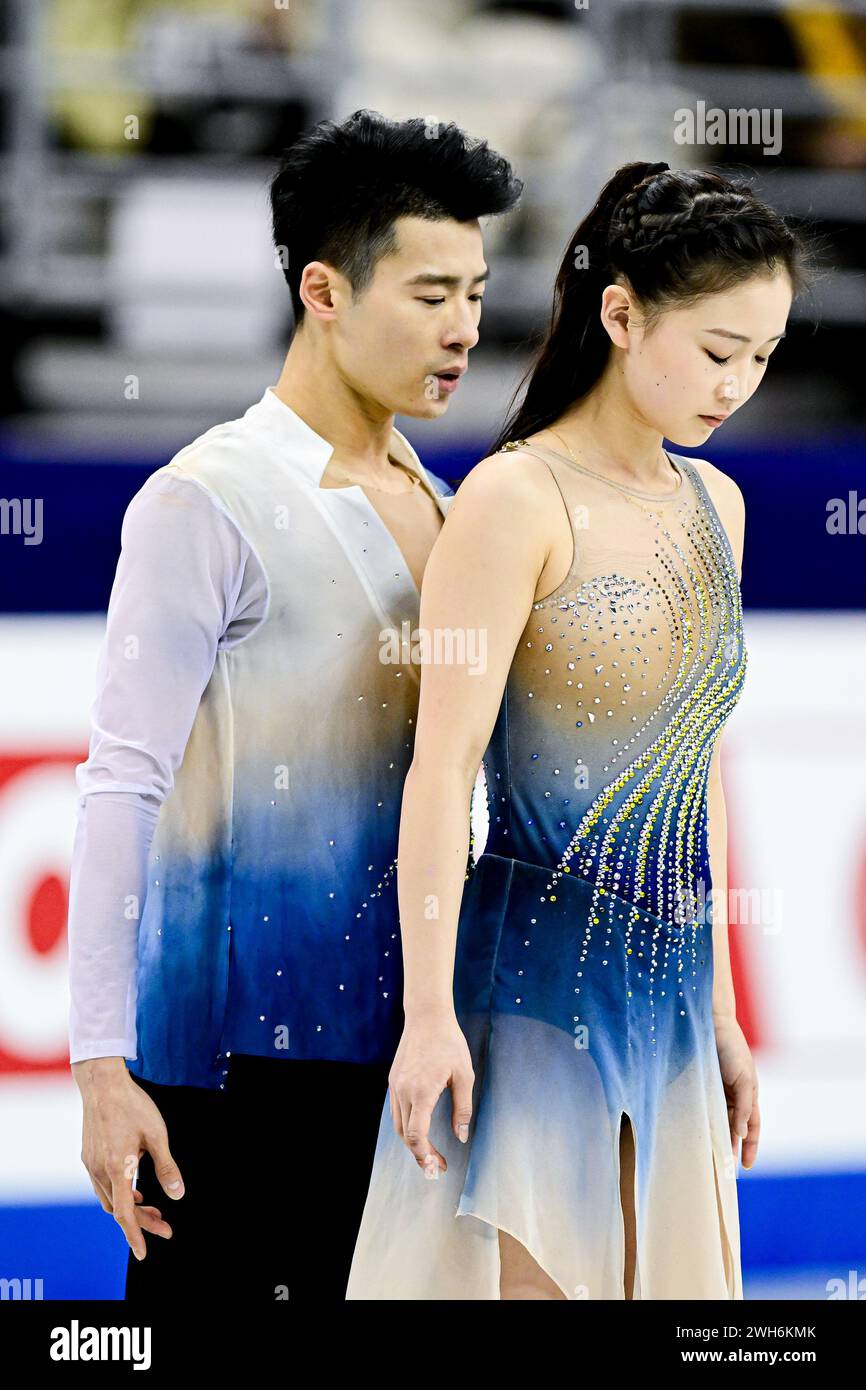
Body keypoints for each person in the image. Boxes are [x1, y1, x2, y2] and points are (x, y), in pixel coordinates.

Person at [67, 108, 522, 1302]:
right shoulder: (202, 500)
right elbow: (122, 779)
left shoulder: (450, 501)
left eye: (474, 293)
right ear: (322, 289)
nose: (464, 328)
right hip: (230, 1076)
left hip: (412, 1059)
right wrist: (100, 1067)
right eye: (429, 294)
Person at [346, 160, 814, 1300]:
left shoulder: (719, 506)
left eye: (760, 358)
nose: (735, 388)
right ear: (619, 313)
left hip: (666, 1000)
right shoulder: (515, 501)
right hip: (533, 993)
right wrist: (424, 1016)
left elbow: (690, 779)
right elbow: (439, 771)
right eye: (715, 353)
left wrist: (722, 1014)